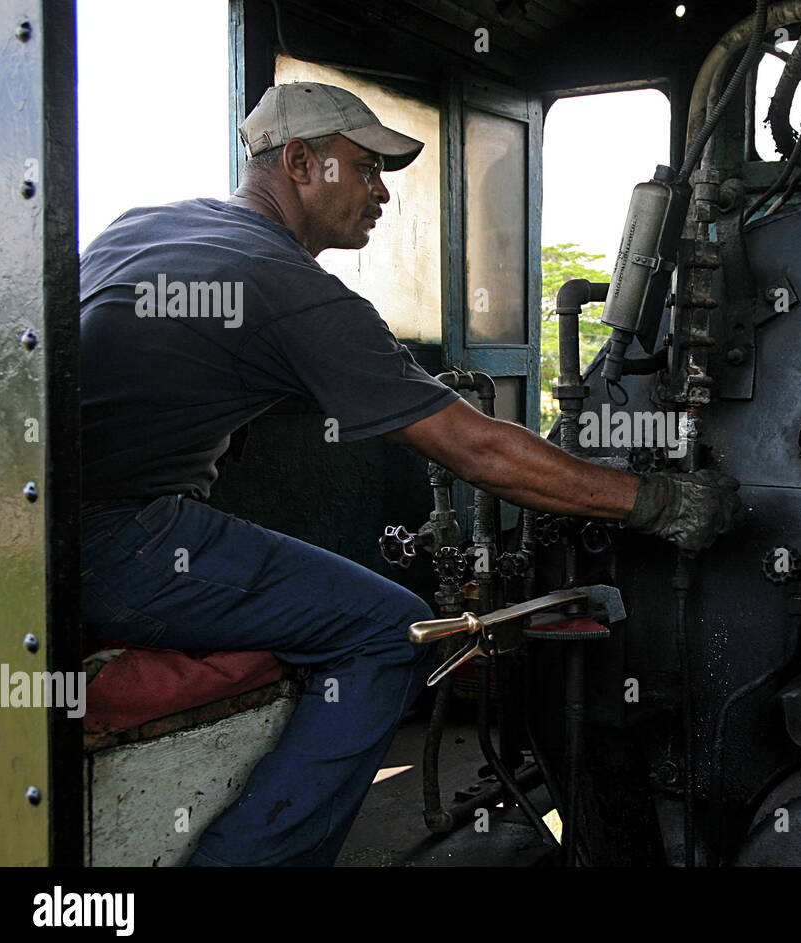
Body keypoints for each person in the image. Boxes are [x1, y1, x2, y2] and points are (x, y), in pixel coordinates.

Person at [78, 82, 739, 866]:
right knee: (388, 634)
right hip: (118, 539)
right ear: (299, 162)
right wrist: (655, 501)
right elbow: (480, 452)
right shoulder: (292, 291)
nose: (382, 193)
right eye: (365, 169)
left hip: (32, 532)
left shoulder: (150, 224)